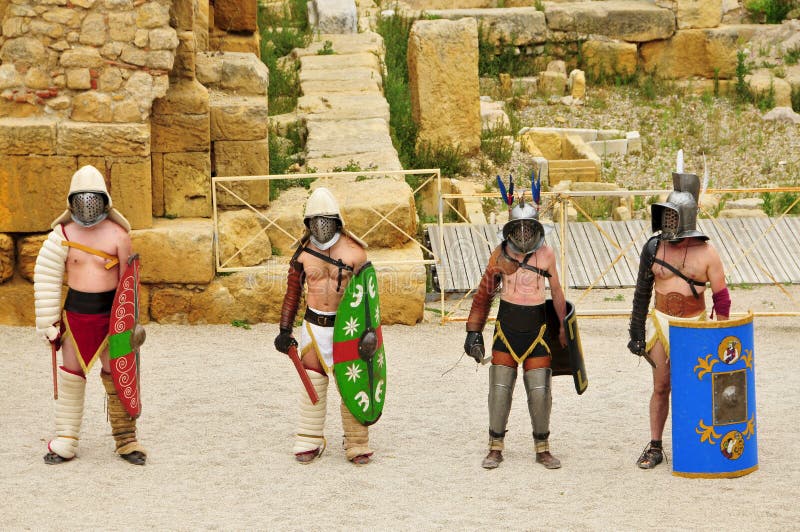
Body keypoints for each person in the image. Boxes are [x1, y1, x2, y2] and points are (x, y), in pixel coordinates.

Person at [34, 165, 146, 466]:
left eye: (92, 198)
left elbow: (128, 282)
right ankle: (66, 440)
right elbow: (46, 278)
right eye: (81, 198)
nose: (87, 204)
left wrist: (131, 321)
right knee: (71, 375)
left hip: (113, 319)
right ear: (72, 200)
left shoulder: (119, 236)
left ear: (104, 199)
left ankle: (126, 440)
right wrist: (48, 323)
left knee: (119, 373)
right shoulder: (63, 235)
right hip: (75, 318)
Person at [628, 170, 730, 469]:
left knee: (696, 388)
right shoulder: (653, 247)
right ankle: (656, 446)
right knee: (661, 387)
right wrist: (635, 331)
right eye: (665, 217)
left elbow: (721, 298)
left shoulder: (707, 252)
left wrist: (720, 334)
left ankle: (700, 443)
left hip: (693, 327)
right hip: (660, 324)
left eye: (672, 217)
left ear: (684, 218)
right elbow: (642, 291)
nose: (667, 223)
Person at [464, 197, 567, 470]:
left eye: (527, 228)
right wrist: (474, 331)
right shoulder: (500, 255)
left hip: (538, 329)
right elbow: (484, 294)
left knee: (540, 389)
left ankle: (542, 447)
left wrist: (563, 327)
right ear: (510, 229)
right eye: (518, 228)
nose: (522, 234)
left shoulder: (546, 254)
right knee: (499, 388)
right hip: (507, 328)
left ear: (535, 228)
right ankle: (495, 447)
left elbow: (556, 292)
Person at [274, 187, 374, 465]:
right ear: (307, 222)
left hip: (347, 328)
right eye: (315, 220)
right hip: (313, 326)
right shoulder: (303, 254)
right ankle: (309, 438)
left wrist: (369, 334)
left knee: (351, 381)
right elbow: (292, 293)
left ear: (337, 220)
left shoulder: (356, 253)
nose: (320, 225)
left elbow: (367, 298)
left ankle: (356, 441)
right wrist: (285, 329)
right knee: (313, 381)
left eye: (326, 219)